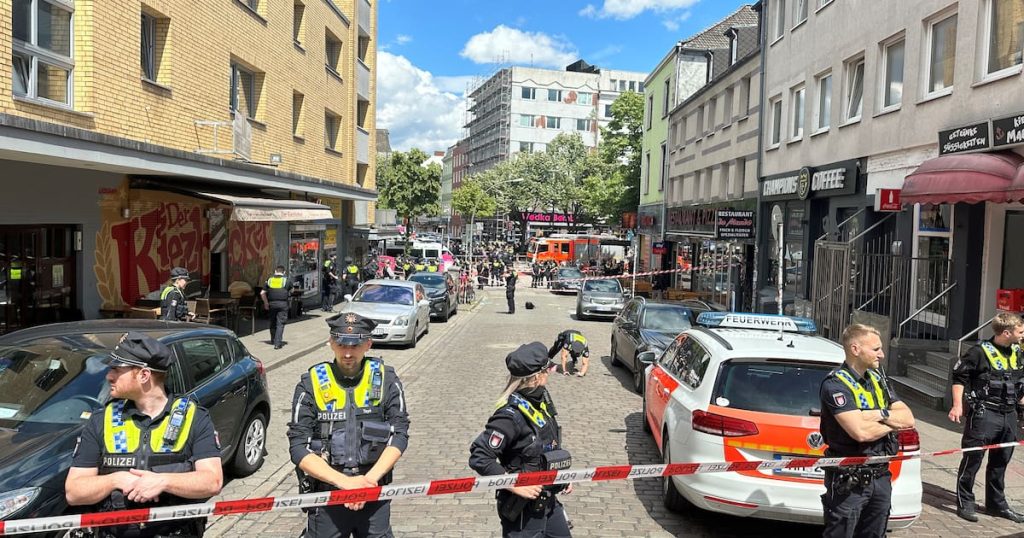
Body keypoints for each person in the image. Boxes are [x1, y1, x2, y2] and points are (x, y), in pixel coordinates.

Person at [65, 332, 223, 537]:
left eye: (116, 369)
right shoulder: (101, 420)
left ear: (143, 375)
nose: (109, 376)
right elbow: (74, 492)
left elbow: (212, 481)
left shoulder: (193, 417)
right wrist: (115, 480)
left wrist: (163, 481)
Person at [287, 313, 410, 538]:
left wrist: (368, 482)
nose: (347, 353)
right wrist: (345, 484)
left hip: (373, 487)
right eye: (341, 344)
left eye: (355, 345)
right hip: (328, 491)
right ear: (331, 342)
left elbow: (399, 434)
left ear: (368, 344)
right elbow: (298, 446)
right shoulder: (311, 383)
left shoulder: (386, 379)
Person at [819, 324, 915, 538]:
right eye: (876, 349)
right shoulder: (836, 384)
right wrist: (892, 420)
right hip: (849, 479)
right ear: (855, 349)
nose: (881, 354)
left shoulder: (878, 379)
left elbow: (908, 418)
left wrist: (877, 414)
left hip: (880, 475)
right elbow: (860, 432)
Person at [469, 342, 572, 538]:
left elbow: (547, 443)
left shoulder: (541, 402)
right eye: (547, 370)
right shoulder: (509, 416)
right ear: (535, 377)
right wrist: (514, 483)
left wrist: (562, 476)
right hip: (523, 510)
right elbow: (480, 456)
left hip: (549, 501)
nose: (549, 374)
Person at [949, 312, 1024, 523]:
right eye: (1020, 331)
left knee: (1001, 461)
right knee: (973, 460)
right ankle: (965, 502)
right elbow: (959, 377)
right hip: (984, 414)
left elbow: (1020, 378)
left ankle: (996, 505)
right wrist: (957, 406)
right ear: (1006, 333)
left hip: (1009, 414)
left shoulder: (1018, 352)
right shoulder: (978, 352)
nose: (1023, 334)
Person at [262, 265, 289, 350]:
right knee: (280, 324)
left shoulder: (269, 280)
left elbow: (262, 293)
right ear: (284, 272)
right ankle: (277, 344)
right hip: (283, 304)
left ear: (275, 271)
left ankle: (273, 340)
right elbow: (292, 290)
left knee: (272, 322)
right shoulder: (286, 280)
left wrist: (266, 303)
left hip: (272, 304)